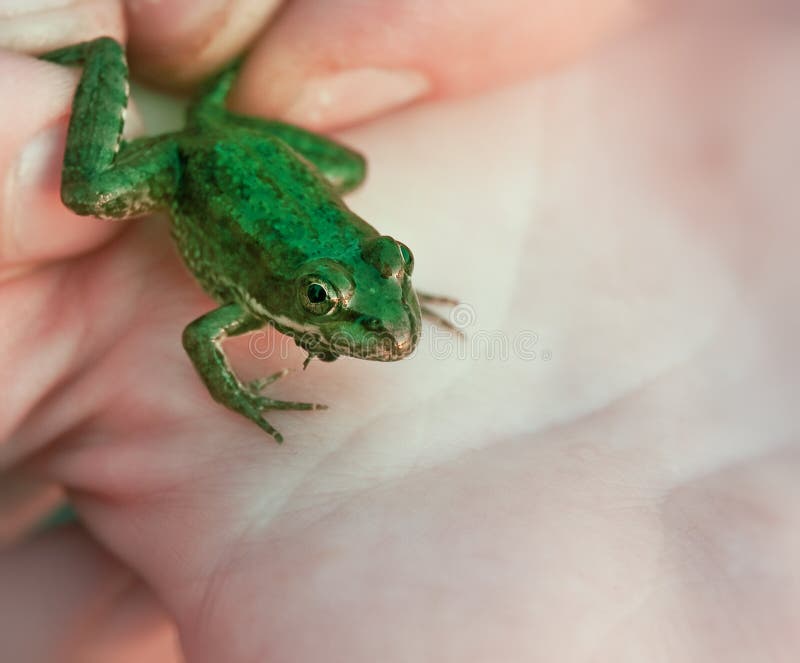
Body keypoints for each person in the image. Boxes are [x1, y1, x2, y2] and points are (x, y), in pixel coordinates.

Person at [1, 0, 798, 660]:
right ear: (297, 298)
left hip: (248, 143)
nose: (387, 327)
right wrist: (242, 396)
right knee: (89, 190)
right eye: (324, 302)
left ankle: (213, 107)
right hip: (189, 164)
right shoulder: (243, 305)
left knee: (350, 170)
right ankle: (101, 57)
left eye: (395, 268)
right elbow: (199, 338)